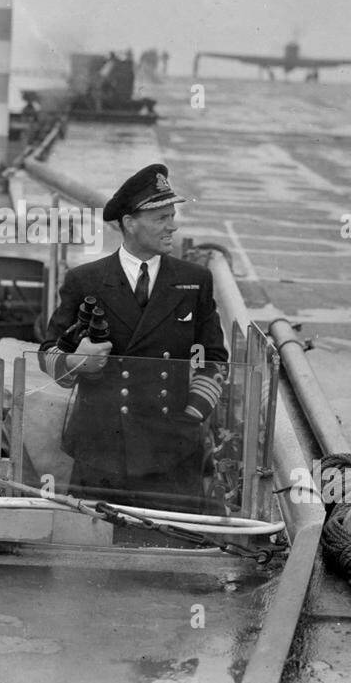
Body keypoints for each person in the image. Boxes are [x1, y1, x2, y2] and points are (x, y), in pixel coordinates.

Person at [39, 164, 228, 511]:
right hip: (101, 453)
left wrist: (192, 415)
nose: (173, 225)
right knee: (94, 552)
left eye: (172, 215)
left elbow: (213, 357)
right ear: (129, 223)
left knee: (175, 552)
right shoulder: (86, 281)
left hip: (172, 453)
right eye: (161, 218)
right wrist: (76, 361)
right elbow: (49, 352)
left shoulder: (194, 281)